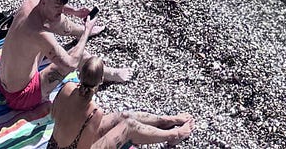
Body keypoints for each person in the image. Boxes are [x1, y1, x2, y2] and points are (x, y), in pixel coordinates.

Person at [0, 0, 102, 118]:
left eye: (62, 6)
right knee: (79, 55)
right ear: (44, 1)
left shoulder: (33, 1)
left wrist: (75, 11)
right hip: (19, 96)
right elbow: (71, 64)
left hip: (3, 82)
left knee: (53, 20)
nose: (60, 11)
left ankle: (78, 30)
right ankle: (105, 72)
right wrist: (86, 32)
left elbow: (56, 11)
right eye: (57, 7)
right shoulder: (39, 33)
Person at [51, 56, 193, 148]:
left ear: (79, 75)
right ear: (101, 80)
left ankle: (166, 121)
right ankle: (174, 135)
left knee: (124, 116)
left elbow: (53, 115)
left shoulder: (67, 87)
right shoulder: (94, 112)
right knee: (128, 126)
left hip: (54, 144)